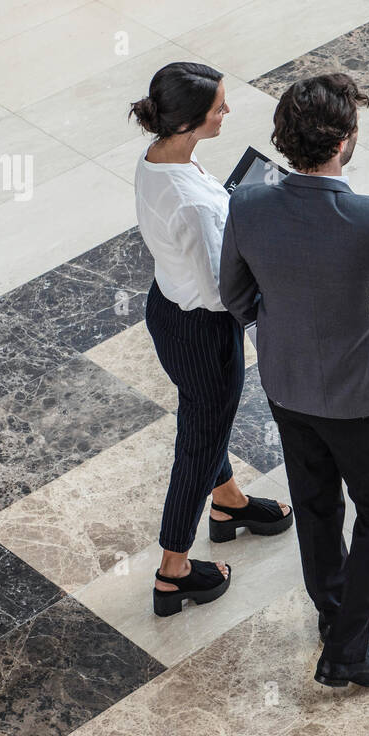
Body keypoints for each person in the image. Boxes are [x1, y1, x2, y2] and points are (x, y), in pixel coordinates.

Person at [220, 73, 369, 688]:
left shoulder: (247, 204)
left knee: (317, 506)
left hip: (288, 387)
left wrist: (282, 333)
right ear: (347, 140)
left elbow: (235, 294)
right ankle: (348, 650)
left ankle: (332, 614)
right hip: (367, 398)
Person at [130, 61, 292, 618]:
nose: (228, 112)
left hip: (166, 308)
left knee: (205, 419)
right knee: (198, 441)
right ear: (191, 121)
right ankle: (173, 571)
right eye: (220, 107)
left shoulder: (157, 159)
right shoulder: (193, 203)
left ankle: (227, 505)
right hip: (203, 328)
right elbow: (220, 289)